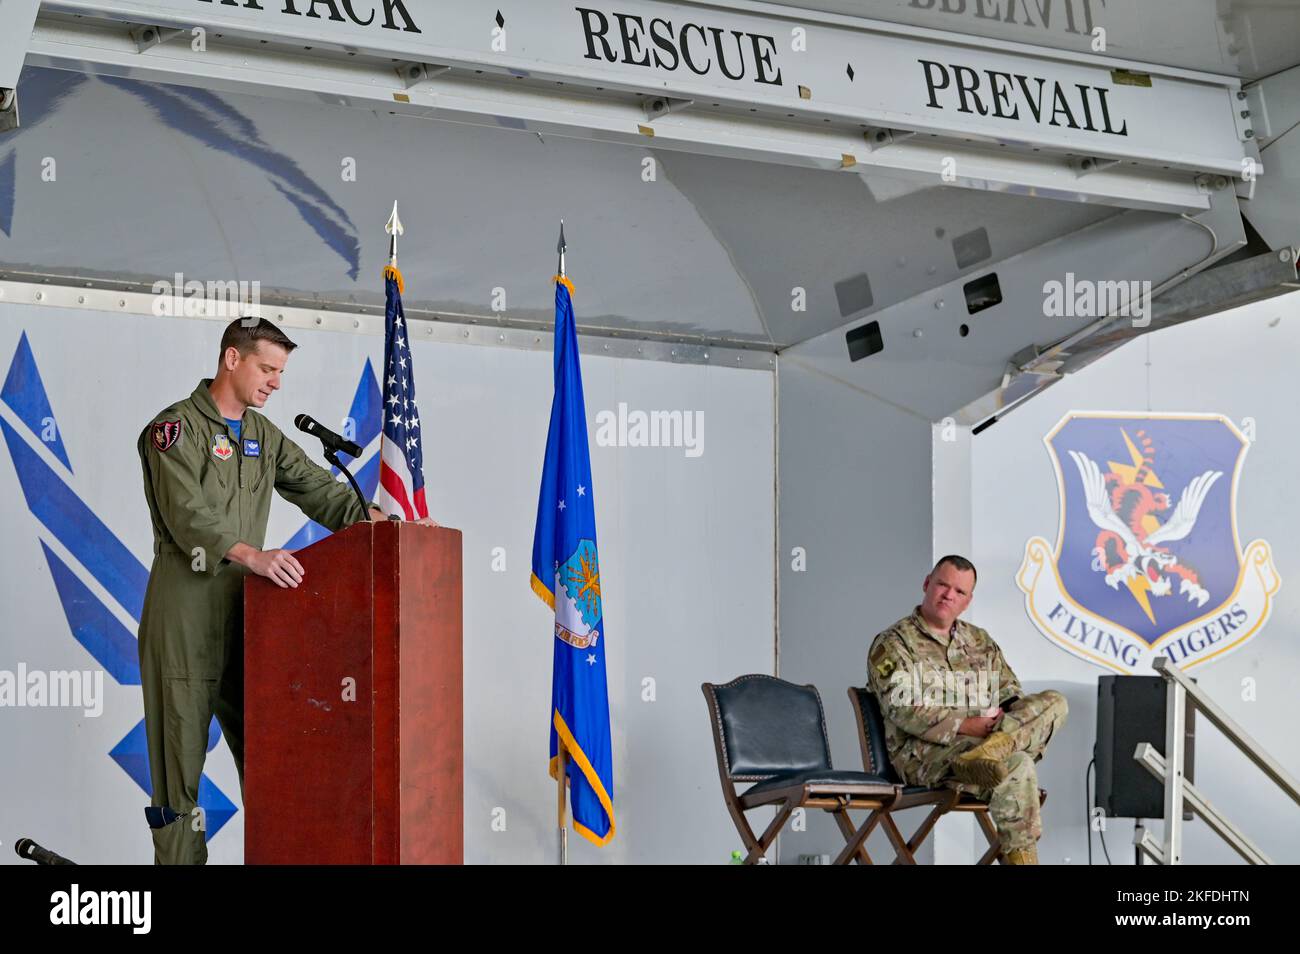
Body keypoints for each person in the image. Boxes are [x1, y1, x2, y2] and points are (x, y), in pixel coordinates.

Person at [136, 317, 435, 864]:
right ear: (232, 359)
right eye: (268, 368)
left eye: (281, 372)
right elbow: (188, 517)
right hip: (184, 620)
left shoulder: (262, 436)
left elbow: (323, 492)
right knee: (179, 776)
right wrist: (253, 555)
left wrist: (388, 525)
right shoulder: (173, 430)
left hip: (251, 621)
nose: (276, 382)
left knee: (274, 762)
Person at [866, 555, 1067, 865]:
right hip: (923, 754)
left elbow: (1011, 694)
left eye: (959, 592)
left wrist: (1007, 719)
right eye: (942, 585)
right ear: (926, 584)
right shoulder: (893, 643)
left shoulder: (979, 641)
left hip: (980, 747)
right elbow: (902, 708)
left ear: (967, 600)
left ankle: (990, 751)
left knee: (1054, 702)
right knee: (1018, 765)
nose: (948, 595)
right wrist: (965, 725)